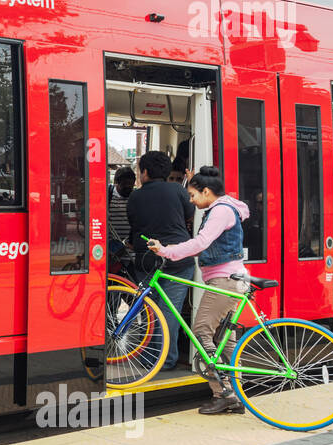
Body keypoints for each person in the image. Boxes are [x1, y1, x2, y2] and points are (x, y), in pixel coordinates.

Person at [146, 166, 251, 415]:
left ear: (206, 191)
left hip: (224, 281)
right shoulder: (226, 206)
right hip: (232, 280)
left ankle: (223, 393)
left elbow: (201, 242)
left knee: (202, 330)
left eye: (193, 195)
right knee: (225, 340)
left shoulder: (221, 211)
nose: (191, 201)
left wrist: (165, 251)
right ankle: (237, 392)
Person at [126, 151, 195, 370]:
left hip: (147, 261)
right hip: (178, 261)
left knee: (148, 311)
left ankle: (148, 358)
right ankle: (166, 360)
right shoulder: (178, 190)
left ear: (144, 172)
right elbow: (190, 212)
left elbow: (134, 223)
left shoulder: (136, 196)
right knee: (169, 313)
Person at [107, 166, 136, 265]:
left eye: (131, 185)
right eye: (125, 185)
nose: (128, 188)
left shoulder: (136, 197)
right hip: (111, 252)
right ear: (117, 183)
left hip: (131, 254)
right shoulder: (108, 195)